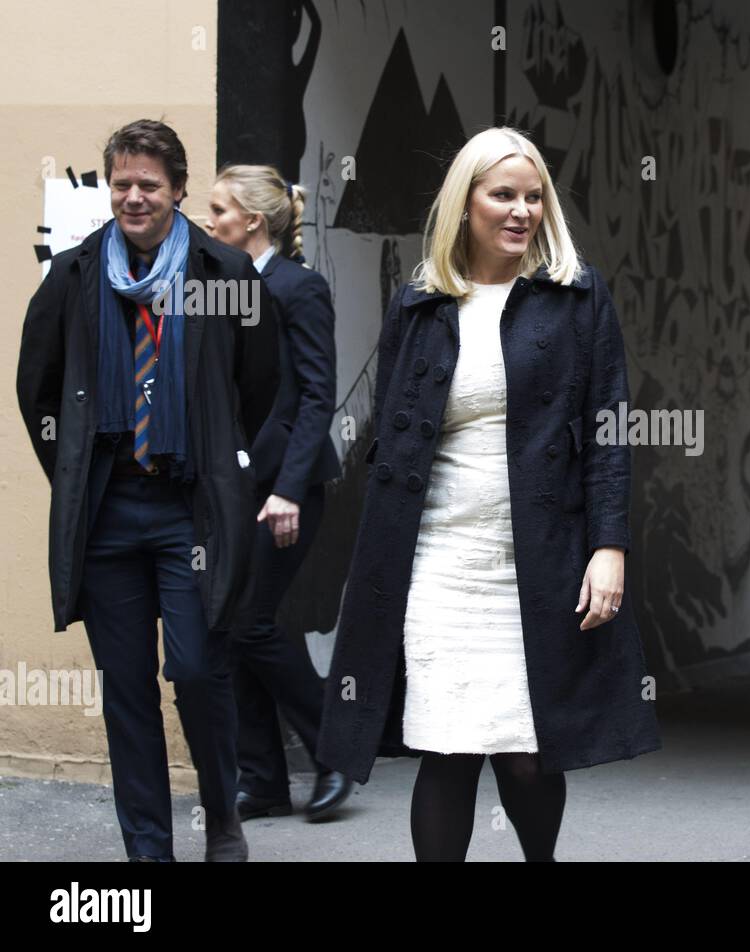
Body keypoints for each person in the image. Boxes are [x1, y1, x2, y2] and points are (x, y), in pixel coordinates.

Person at [316, 126, 661, 861]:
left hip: (539, 559)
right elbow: (397, 431)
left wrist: (608, 546)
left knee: (528, 750)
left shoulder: (576, 295)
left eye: (534, 197)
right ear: (464, 202)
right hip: (439, 560)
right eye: (502, 194)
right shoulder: (422, 299)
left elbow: (608, 432)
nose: (521, 211)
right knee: (448, 747)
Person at [16, 119, 279, 861]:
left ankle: (222, 815)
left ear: (179, 191)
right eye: (121, 183)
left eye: (149, 185)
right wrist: (73, 474)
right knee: (124, 689)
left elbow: (258, 385)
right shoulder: (72, 276)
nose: (134, 198)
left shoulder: (222, 273)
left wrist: (221, 461)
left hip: (186, 509)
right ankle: (147, 851)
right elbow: (36, 390)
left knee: (197, 670)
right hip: (106, 511)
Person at [206, 164, 352, 822]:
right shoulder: (218, 288)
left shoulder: (299, 289)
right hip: (233, 487)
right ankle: (263, 778)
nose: (210, 222)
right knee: (229, 630)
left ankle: (335, 751)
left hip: (287, 488)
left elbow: (318, 393)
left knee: (255, 624)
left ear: (253, 222)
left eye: (220, 210)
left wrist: (289, 488)